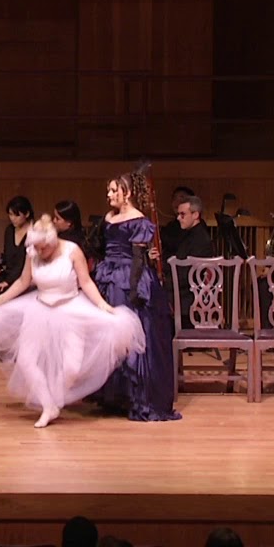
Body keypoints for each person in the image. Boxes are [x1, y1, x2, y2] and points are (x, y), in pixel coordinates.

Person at [0, 215, 144, 428]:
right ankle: (48, 406)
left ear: (52, 241)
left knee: (72, 366)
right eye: (36, 248)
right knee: (27, 360)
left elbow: (86, 282)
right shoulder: (32, 252)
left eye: (43, 248)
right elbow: (23, 281)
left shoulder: (72, 251)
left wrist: (103, 306)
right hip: (39, 309)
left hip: (71, 309)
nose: (39, 252)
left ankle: (55, 398)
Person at [90, 171, 182, 421]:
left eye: (113, 190)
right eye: (108, 190)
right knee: (110, 334)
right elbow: (99, 246)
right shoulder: (109, 217)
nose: (109, 195)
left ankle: (138, 397)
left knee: (134, 334)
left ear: (127, 192)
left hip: (128, 277)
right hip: (108, 275)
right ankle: (115, 396)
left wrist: (134, 289)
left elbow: (139, 260)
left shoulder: (138, 220)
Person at [154, 194, 216, 328]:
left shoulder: (200, 240)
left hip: (188, 303)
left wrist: (163, 280)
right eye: (178, 214)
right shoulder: (189, 234)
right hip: (182, 294)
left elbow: (188, 276)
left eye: (182, 214)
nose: (178, 218)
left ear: (195, 215)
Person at [0, 196, 34, 305]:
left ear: (27, 214)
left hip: (24, 278)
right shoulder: (9, 230)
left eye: (16, 215)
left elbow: (24, 265)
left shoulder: (34, 233)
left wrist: (7, 282)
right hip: (8, 274)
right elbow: (8, 258)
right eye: (10, 214)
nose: (12, 218)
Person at [159, 186, 197, 258]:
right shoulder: (171, 226)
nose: (177, 202)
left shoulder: (196, 224)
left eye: (182, 198)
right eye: (174, 199)